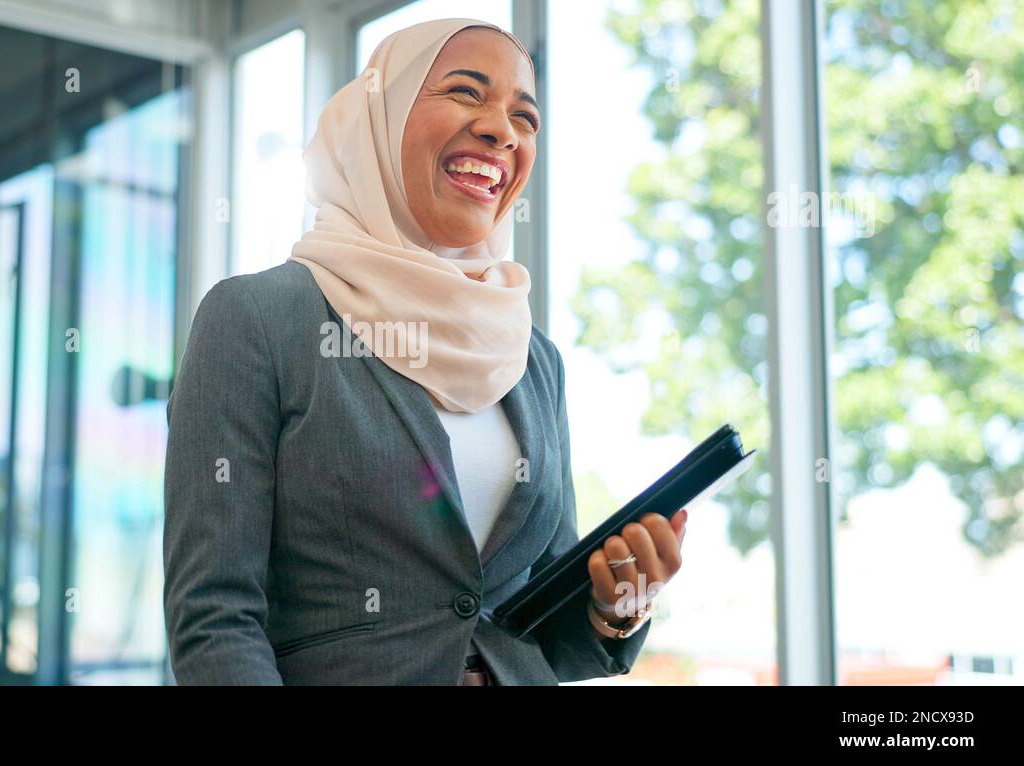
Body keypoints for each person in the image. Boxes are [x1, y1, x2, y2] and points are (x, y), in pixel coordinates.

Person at [163, 17, 687, 685]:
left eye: (524, 116)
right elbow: (214, 619)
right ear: (377, 120)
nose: (503, 129)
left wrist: (615, 607)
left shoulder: (533, 358)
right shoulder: (257, 319)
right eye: (467, 93)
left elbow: (534, 636)